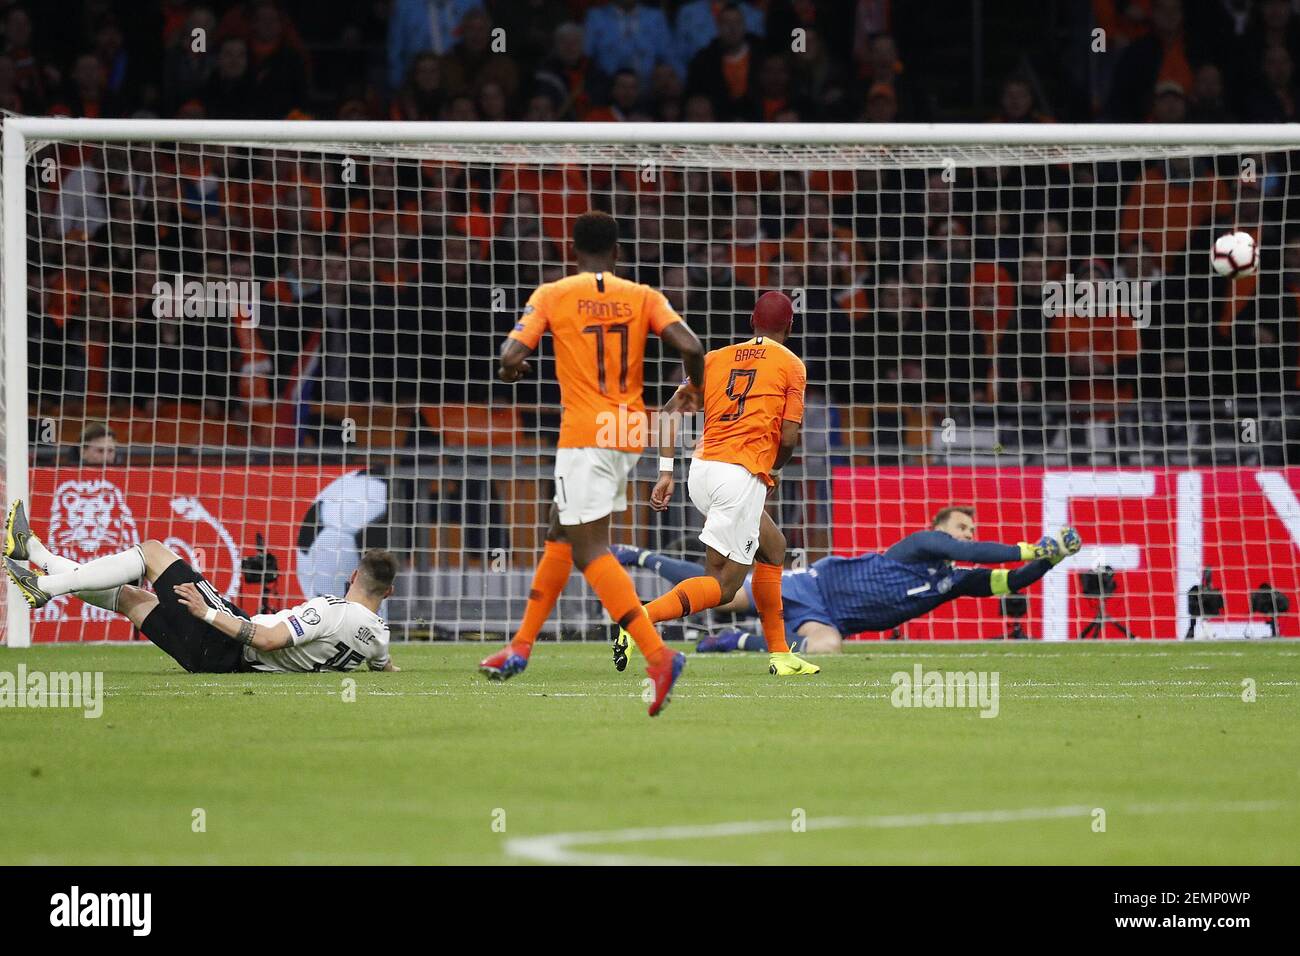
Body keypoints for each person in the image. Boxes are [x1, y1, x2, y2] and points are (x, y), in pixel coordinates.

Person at [477, 210, 706, 717]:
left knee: (588, 548)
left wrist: (513, 370)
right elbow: (691, 346)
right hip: (627, 429)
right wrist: (693, 389)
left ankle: (659, 654)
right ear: (618, 252)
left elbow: (510, 354)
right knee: (562, 531)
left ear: (572, 251)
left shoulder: (553, 293)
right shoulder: (643, 295)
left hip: (584, 432)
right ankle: (520, 647)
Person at [619, 290, 818, 676]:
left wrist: (665, 472)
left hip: (703, 470)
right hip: (738, 477)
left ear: (750, 323)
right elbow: (790, 437)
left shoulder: (714, 359)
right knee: (724, 587)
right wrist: (773, 469)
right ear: (790, 326)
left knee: (774, 548)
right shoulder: (792, 365)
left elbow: (668, 412)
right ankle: (639, 619)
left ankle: (781, 655)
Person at [3, 500, 398, 674]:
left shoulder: (333, 611)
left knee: (153, 552)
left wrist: (208, 612)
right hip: (210, 660)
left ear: (352, 577)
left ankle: (46, 586)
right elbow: (384, 665)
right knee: (129, 598)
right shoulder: (377, 637)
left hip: (226, 639)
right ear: (389, 593)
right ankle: (35, 551)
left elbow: (268, 638)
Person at [615, 507, 1082, 652]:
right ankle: (642, 556)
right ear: (942, 530)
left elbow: (1011, 583)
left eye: (971, 529)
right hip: (813, 585)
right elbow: (969, 552)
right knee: (720, 593)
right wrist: (1031, 545)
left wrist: (1051, 557)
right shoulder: (924, 544)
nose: (968, 535)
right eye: (962, 526)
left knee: (826, 649)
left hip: (828, 616)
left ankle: (729, 644)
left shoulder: (952, 582)